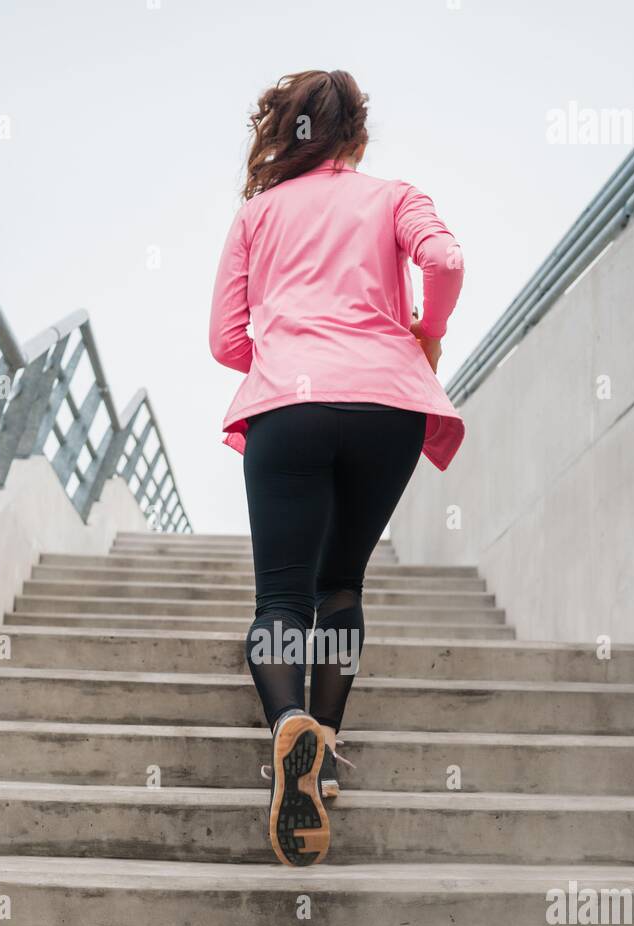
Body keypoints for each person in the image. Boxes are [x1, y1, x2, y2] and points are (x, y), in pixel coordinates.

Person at [209, 69, 465, 868]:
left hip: (291, 402)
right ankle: (328, 739)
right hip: (386, 402)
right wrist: (423, 328)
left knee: (281, 597)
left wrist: (289, 348)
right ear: (355, 134)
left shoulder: (256, 215)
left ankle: (289, 726)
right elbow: (447, 260)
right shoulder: (393, 196)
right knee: (341, 587)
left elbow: (224, 342)